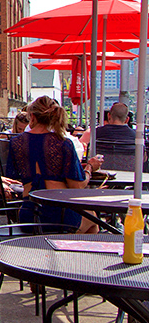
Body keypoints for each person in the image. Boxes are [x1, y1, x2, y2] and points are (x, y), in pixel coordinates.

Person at [6, 96, 101, 232]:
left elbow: (13, 175)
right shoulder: (63, 143)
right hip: (59, 216)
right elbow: (77, 186)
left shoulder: (16, 143)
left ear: (32, 117)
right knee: (92, 219)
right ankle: (75, 252)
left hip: (29, 216)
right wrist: (90, 168)